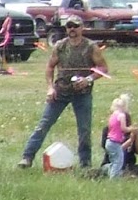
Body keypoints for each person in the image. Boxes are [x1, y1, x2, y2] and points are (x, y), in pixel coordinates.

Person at [19, 15, 108, 171]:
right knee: (43, 125)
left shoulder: (90, 46)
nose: (72, 29)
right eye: (69, 26)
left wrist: (88, 79)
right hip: (60, 91)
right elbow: (49, 67)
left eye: (75, 26)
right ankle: (27, 157)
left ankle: (85, 164)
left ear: (82, 28)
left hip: (82, 93)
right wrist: (50, 88)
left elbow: (103, 68)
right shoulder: (60, 46)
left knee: (84, 129)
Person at [103, 94, 138, 179]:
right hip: (115, 141)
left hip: (109, 141)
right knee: (118, 161)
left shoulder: (112, 115)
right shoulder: (121, 115)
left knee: (114, 161)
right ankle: (113, 178)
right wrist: (131, 129)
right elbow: (124, 129)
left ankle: (113, 173)